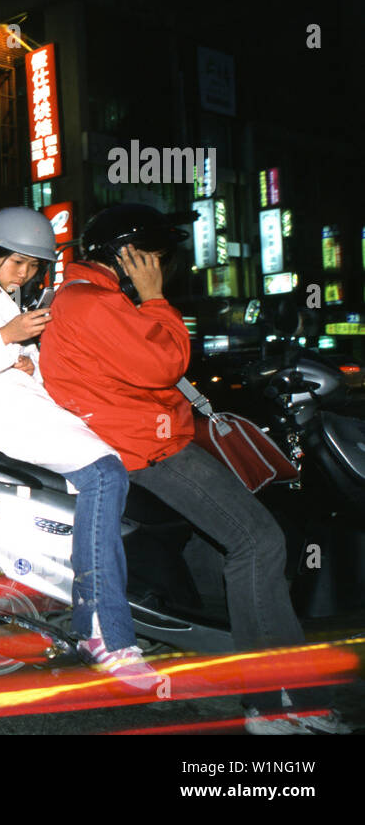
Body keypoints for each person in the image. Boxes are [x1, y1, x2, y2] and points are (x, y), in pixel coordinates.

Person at [40, 203, 350, 734]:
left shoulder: (90, 296)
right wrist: (157, 297)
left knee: (229, 543)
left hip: (139, 441)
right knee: (259, 542)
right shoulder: (93, 301)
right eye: (156, 257)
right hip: (147, 452)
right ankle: (277, 702)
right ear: (129, 255)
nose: (163, 267)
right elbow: (167, 362)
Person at [0, 207, 155, 690]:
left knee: (110, 474)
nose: (25, 273)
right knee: (106, 473)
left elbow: (17, 363)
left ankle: (69, 588)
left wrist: (24, 359)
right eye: (16, 262)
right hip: (0, 420)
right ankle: (104, 632)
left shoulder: (6, 301)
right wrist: (8, 341)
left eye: (33, 266)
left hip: (28, 412)